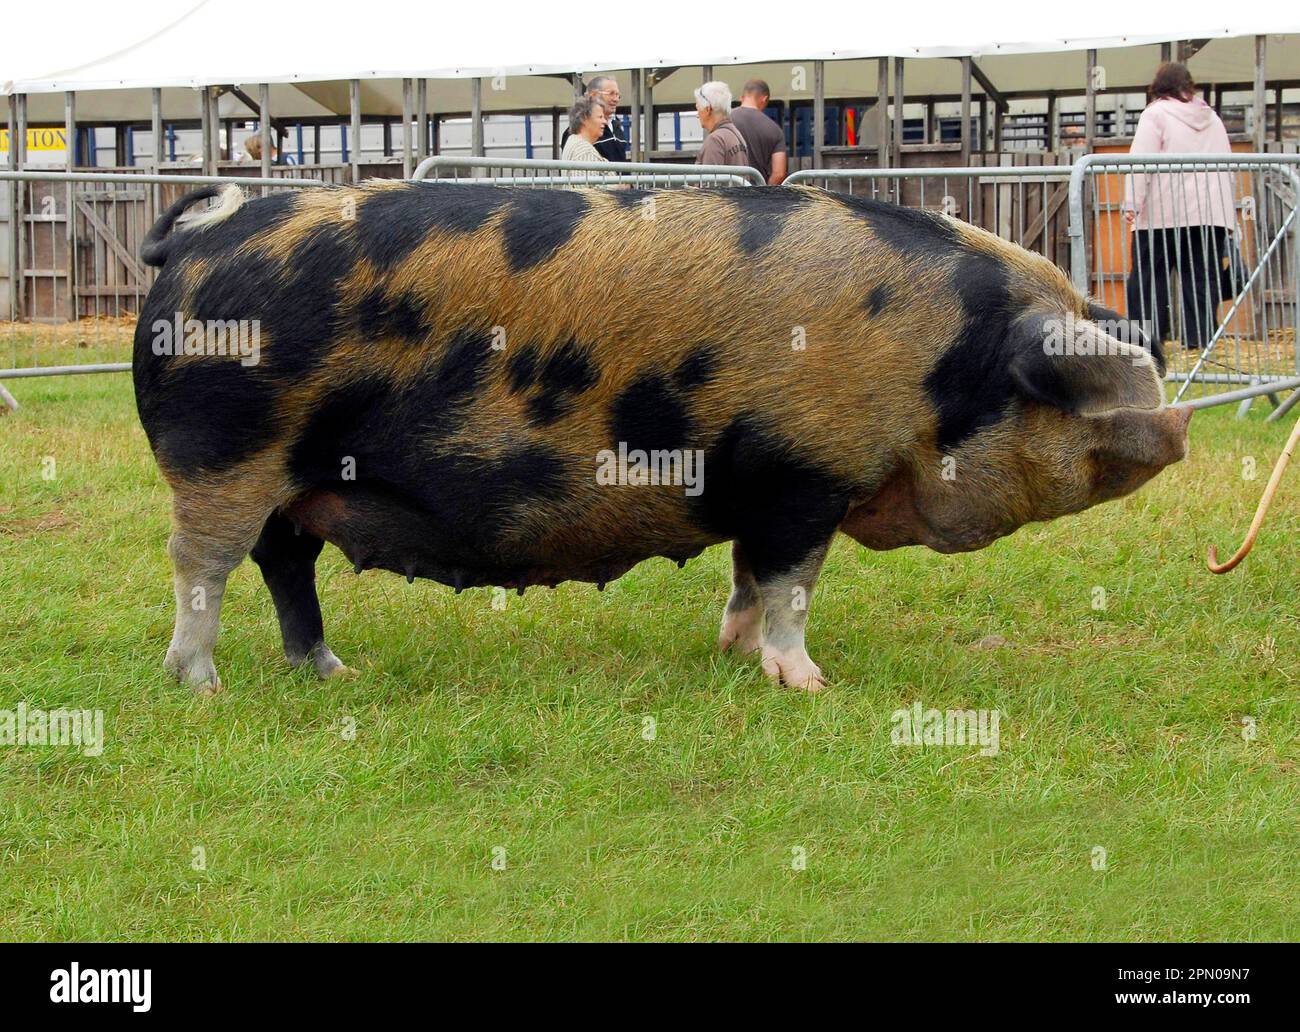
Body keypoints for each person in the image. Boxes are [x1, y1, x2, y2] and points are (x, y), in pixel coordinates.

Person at [1123, 62, 1236, 352]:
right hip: (1210, 214)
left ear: (1158, 86)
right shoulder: (1212, 118)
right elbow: (1229, 166)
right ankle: (1200, 341)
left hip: (1163, 214)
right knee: (1201, 277)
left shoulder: (1155, 114)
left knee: (1150, 278)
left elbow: (1141, 162)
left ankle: (1146, 342)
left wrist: (1132, 203)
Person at [729, 79, 787, 184]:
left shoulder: (725, 120)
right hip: (757, 195)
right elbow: (779, 173)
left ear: (742, 97)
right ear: (764, 99)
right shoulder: (774, 129)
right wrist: (765, 193)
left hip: (729, 192)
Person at [560, 76, 627, 162]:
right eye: (611, 94)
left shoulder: (617, 128)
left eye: (618, 95)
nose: (616, 99)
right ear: (593, 95)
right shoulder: (578, 132)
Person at [694, 81, 749, 168]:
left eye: (698, 108)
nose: (697, 115)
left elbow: (709, 180)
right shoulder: (735, 134)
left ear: (708, 109)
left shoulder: (715, 140)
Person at [561, 95, 610, 164]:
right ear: (584, 118)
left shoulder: (572, 140)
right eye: (600, 117)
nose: (605, 122)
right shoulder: (585, 152)